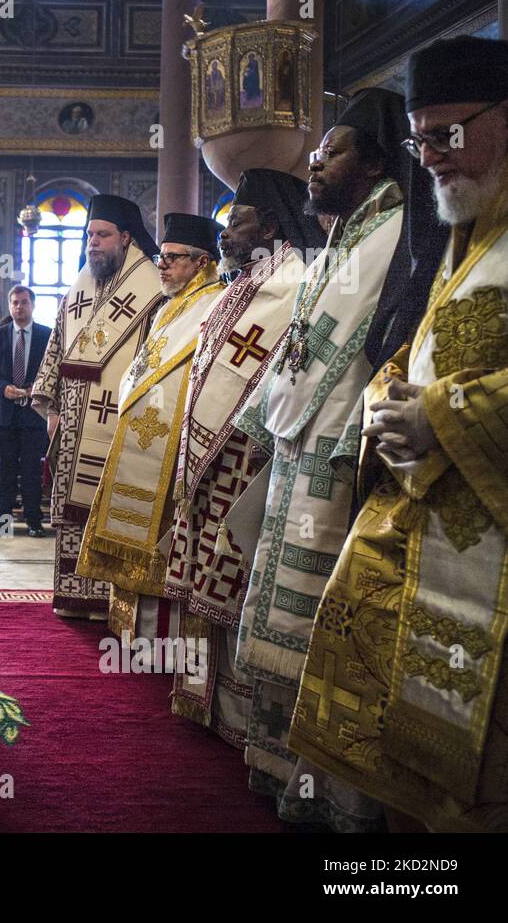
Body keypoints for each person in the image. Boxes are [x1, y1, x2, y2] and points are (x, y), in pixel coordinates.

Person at [288, 36, 508, 831]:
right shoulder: (468, 229)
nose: (433, 157)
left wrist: (441, 415)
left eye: (447, 134)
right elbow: (419, 340)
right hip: (445, 510)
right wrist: (391, 398)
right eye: (422, 141)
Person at [232, 88, 429, 831]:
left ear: (374, 161)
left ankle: (336, 799)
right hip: (298, 445)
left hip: (342, 454)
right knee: (286, 615)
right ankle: (283, 770)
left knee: (322, 626)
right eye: (315, 153)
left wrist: (354, 449)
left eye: (331, 151)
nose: (314, 164)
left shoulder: (405, 232)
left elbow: (393, 350)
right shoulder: (347, 233)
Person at [166, 169, 325, 749]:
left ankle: (234, 712)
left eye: (238, 222)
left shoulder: (293, 282)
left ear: (273, 226)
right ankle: (198, 694)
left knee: (233, 577)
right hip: (211, 455)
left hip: (246, 457)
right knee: (208, 570)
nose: (226, 234)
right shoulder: (243, 281)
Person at [76, 212, 226, 662]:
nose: (162, 265)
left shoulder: (214, 304)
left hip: (175, 442)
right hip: (144, 436)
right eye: (161, 257)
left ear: (202, 262)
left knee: (162, 534)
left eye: (173, 258)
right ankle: (134, 633)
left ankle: (162, 642)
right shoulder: (171, 305)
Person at [31, 194, 160, 619]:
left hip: (118, 417)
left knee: (109, 505)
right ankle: (73, 597)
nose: (93, 243)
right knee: (73, 507)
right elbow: (56, 344)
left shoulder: (153, 289)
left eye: (102, 235)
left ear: (125, 238)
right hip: (71, 418)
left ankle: (109, 600)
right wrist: (49, 404)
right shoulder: (80, 286)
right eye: (89, 235)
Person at [0, 285, 52, 537]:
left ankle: (33, 521)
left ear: (32, 305)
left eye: (24, 302)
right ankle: (3, 521)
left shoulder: (46, 336)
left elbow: (53, 370)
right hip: (3, 414)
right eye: (15, 303)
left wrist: (36, 389)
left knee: (31, 469)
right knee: (5, 468)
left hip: (33, 414)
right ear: (10, 306)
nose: (19, 307)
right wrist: (2, 388)